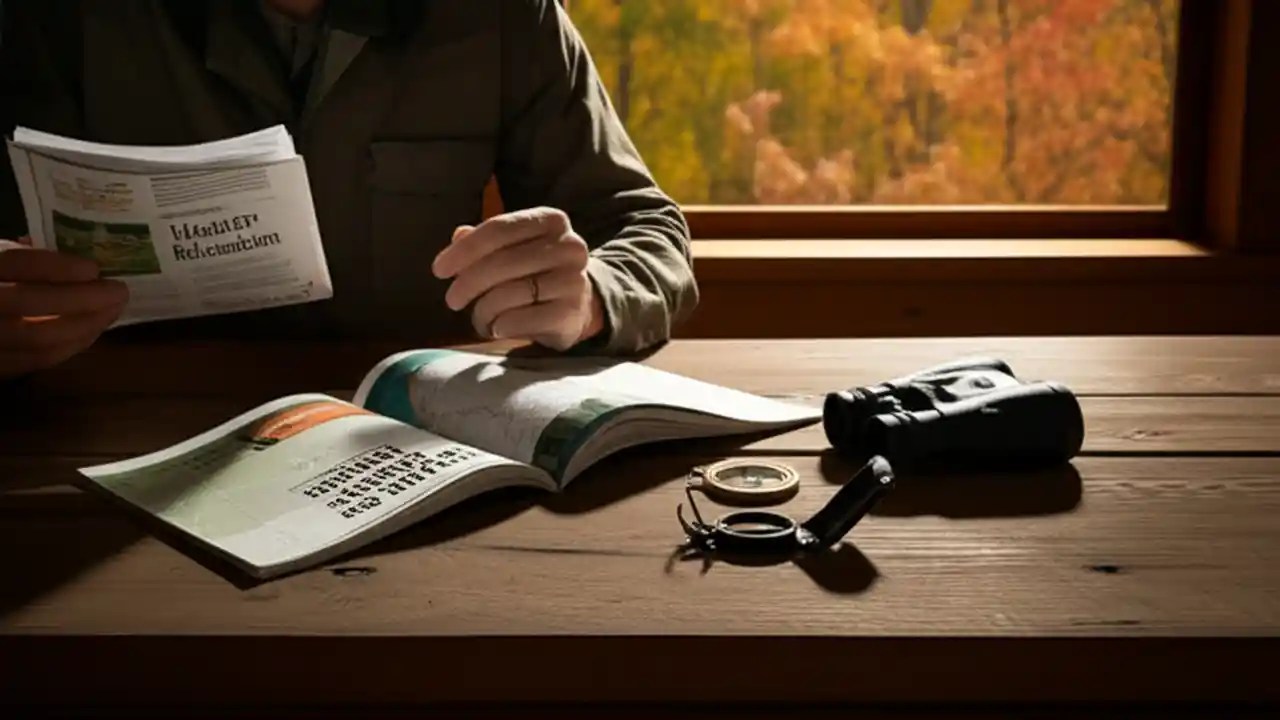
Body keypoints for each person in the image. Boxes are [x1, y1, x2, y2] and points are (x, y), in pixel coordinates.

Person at [0, 0, 698, 380]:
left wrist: (591, 299)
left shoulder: (504, 16)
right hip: (121, 457)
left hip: (411, 452)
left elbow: (647, 233)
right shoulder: (53, 21)